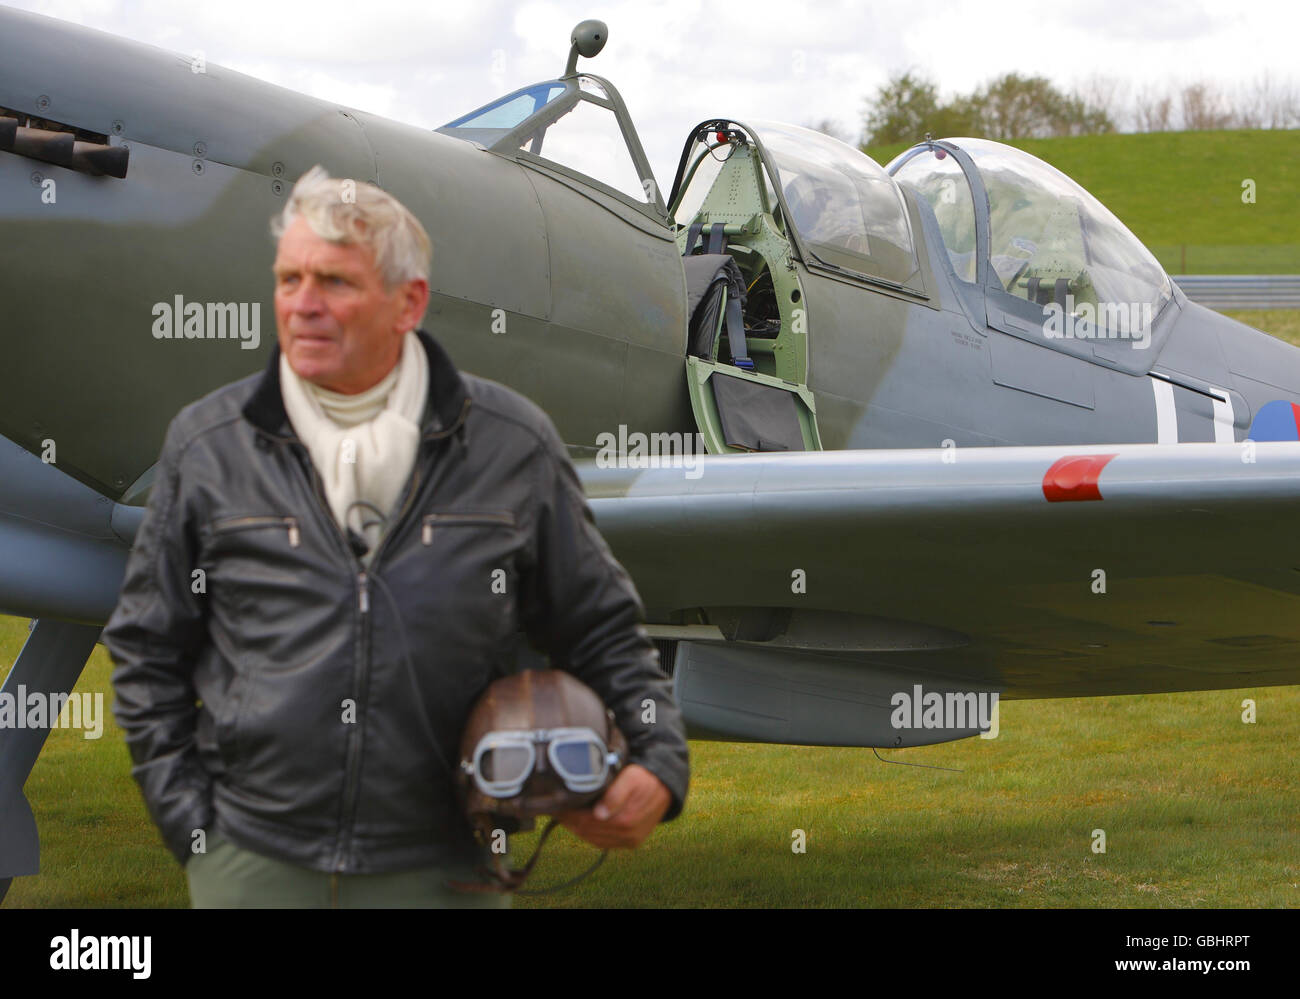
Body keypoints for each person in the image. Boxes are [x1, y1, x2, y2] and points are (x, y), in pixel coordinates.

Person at [103, 165, 689, 907]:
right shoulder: (207, 443)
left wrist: (661, 761)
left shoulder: (514, 445)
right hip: (252, 863)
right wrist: (194, 829)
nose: (303, 306)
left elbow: (598, 626)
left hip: (443, 867)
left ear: (408, 301)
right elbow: (147, 645)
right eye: (289, 280)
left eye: (336, 283)